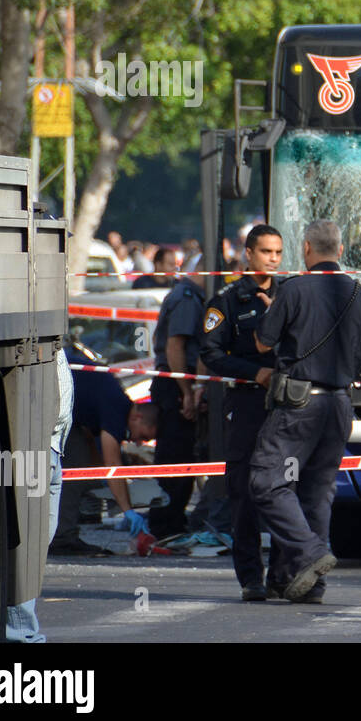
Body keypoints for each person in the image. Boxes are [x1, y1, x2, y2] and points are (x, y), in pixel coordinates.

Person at [250, 219, 361, 602]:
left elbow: (263, 344)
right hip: (339, 405)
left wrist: (274, 311)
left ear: (306, 249)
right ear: (340, 251)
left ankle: (309, 553)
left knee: (267, 481)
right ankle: (308, 584)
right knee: (317, 492)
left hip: (299, 402)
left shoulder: (293, 290)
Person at [200, 224, 286, 601]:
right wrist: (255, 372)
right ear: (248, 254)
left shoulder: (289, 293)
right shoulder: (228, 300)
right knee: (245, 490)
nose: (273, 259)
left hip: (285, 403)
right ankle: (252, 577)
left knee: (286, 487)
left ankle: (283, 573)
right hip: (247, 402)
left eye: (278, 252)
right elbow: (211, 354)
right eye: (266, 252)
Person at [51, 347, 160, 553]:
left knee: (81, 467)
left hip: (59, 392)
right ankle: (61, 538)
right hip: (50, 389)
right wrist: (128, 512)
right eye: (143, 436)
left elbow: (91, 441)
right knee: (75, 468)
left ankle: (62, 532)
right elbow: (112, 465)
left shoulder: (113, 400)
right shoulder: (117, 408)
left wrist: (95, 476)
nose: (138, 442)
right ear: (137, 417)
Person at [7, 347, 75, 640]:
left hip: (51, 446)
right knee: (28, 546)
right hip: (35, 445)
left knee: (38, 541)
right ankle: (21, 635)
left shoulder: (49, 332)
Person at [147, 262, 208, 538]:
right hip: (175, 385)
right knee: (175, 457)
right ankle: (166, 525)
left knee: (180, 456)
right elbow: (175, 347)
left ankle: (172, 522)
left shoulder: (186, 294)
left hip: (175, 383)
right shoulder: (187, 299)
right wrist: (187, 391)